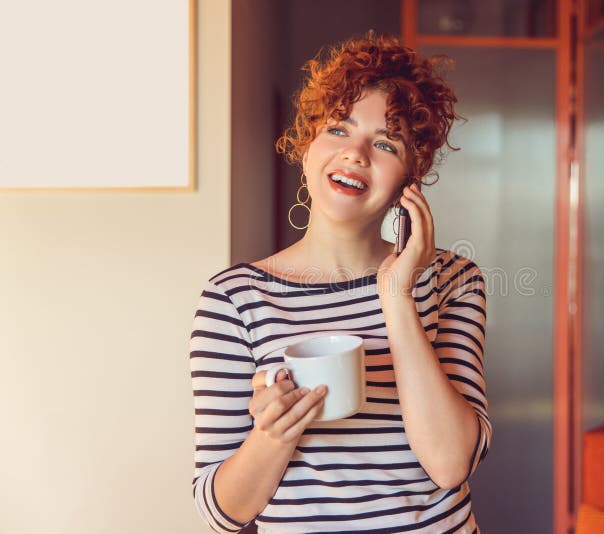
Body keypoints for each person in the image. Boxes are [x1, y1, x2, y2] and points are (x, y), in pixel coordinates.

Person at [189, 32, 490, 533]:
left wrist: (397, 297)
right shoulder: (233, 300)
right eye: (338, 129)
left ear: (408, 180)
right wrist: (273, 434)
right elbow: (222, 513)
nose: (356, 154)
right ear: (306, 146)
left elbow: (449, 463)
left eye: (386, 143)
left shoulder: (454, 281)